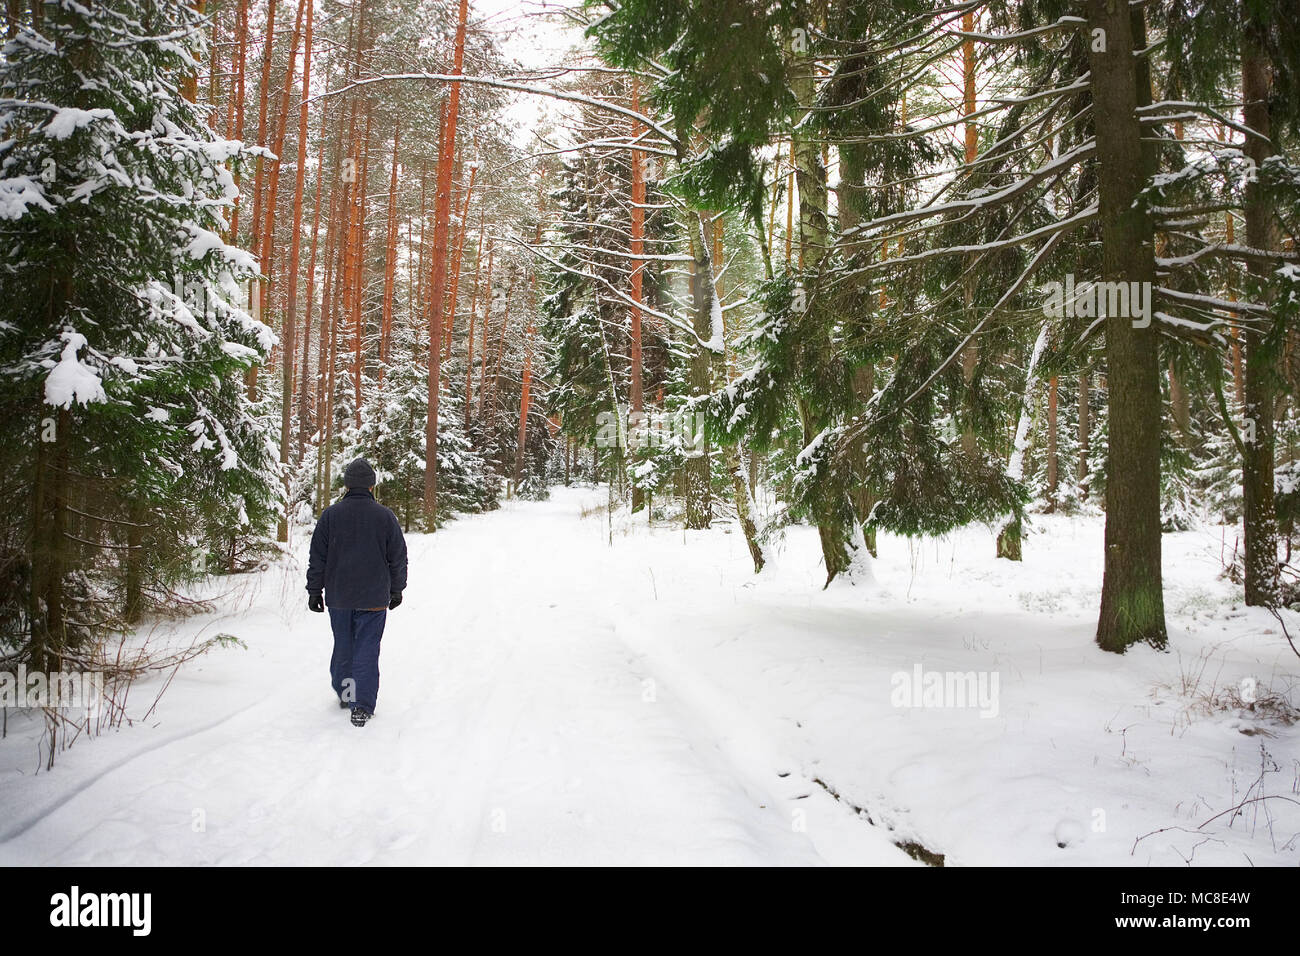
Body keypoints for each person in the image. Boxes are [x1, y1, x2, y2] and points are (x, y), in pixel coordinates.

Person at [305, 457, 408, 727]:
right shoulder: (385, 517)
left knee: (345, 644)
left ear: (347, 485)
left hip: (339, 596)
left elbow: (318, 557)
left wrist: (315, 591)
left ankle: (346, 693)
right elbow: (398, 557)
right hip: (373, 597)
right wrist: (397, 589)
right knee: (366, 648)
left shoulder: (331, 515)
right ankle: (360, 705)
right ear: (372, 486)